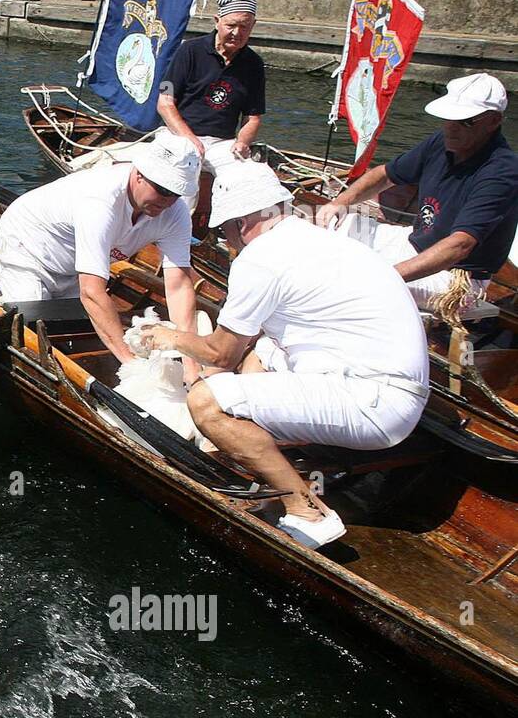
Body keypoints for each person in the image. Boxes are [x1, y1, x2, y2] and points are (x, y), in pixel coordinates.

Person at [141, 162, 429, 548]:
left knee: (207, 403)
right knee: (261, 352)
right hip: (400, 395)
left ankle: (308, 510)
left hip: (373, 406)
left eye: (225, 231)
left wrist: (169, 337)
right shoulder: (323, 240)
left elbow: (222, 354)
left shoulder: (259, 259)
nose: (227, 242)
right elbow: (250, 344)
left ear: (241, 223)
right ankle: (243, 450)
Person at [0, 133, 203, 381]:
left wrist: (192, 366)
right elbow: (92, 292)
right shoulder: (100, 200)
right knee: (31, 328)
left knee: (79, 330)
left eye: (176, 193)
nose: (167, 201)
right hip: (27, 249)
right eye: (162, 189)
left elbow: (179, 287)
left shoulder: (175, 213)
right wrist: (131, 364)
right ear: (139, 174)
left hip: (75, 265)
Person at [316, 73, 517, 314]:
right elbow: (385, 174)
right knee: (329, 228)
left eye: (465, 121)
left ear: (493, 121)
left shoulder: (502, 171)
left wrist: (388, 275)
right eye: (448, 118)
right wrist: (339, 202)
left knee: (346, 279)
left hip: (455, 278)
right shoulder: (441, 143)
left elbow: (459, 245)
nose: (451, 128)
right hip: (414, 242)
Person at [155, 0, 266, 217]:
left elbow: (253, 117)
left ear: (253, 26)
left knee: (252, 177)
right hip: (180, 136)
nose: (237, 33)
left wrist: (243, 141)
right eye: (231, 25)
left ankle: (232, 236)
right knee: (183, 173)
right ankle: (171, 231)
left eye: (244, 27)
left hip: (221, 144)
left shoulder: (254, 64)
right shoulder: (190, 51)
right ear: (217, 21)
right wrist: (190, 139)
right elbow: (165, 102)